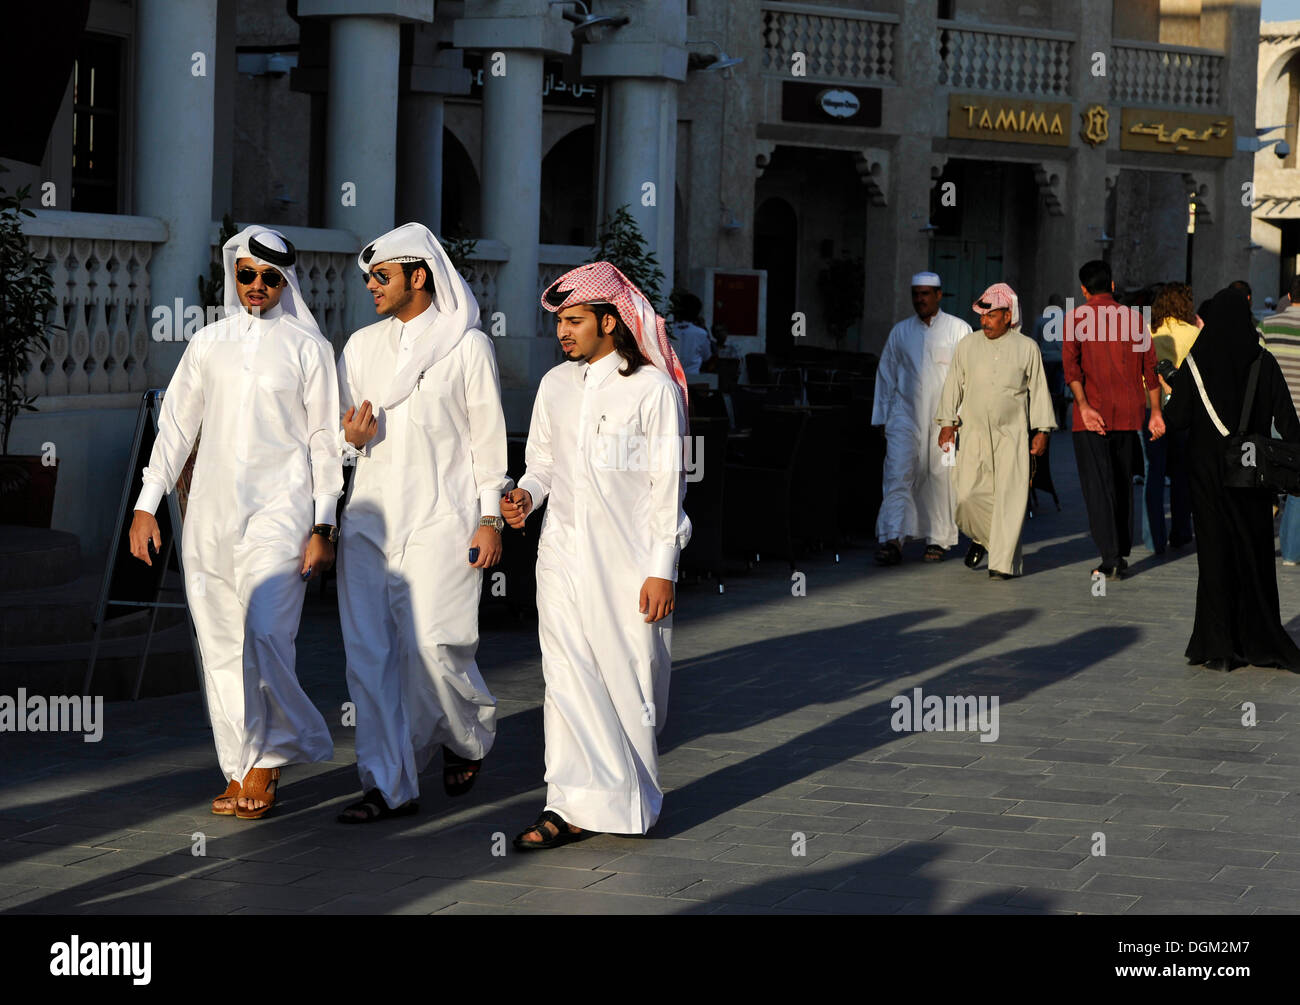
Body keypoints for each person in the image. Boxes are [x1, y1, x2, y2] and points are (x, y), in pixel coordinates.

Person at [128, 226, 340, 820]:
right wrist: (146, 505)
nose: (256, 286)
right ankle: (239, 764)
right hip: (210, 517)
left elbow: (326, 442)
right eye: (246, 274)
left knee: (268, 636)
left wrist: (324, 525)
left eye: (270, 278)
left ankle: (269, 760)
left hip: (282, 513)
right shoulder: (207, 343)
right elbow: (175, 430)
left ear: (285, 282)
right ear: (233, 274)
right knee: (220, 645)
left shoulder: (308, 348)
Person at [502, 261, 691, 849]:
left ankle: (626, 799)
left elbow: (668, 486)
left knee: (628, 678)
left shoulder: (652, 389)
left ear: (611, 321)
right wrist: (524, 498)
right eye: (560, 322)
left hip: (629, 562)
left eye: (575, 320)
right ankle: (567, 803)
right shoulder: (555, 384)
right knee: (563, 679)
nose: (563, 332)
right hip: (559, 552)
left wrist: (662, 569)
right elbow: (543, 464)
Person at [333, 223, 509, 823]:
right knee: (370, 654)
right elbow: (334, 441)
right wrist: (348, 443)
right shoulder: (358, 348)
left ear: (419, 276)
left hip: (444, 518)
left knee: (435, 644)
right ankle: (387, 785)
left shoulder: (467, 347)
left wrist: (491, 519)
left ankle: (468, 735)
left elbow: (489, 444)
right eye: (368, 279)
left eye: (382, 277)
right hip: (370, 521)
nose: (372, 287)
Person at [1162, 287, 1300, 670]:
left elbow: (1178, 420)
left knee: (1214, 557)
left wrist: (1171, 395)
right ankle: (1259, 640)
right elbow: (1288, 422)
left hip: (1207, 476)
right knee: (1252, 556)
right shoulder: (1262, 361)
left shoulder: (1195, 362)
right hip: (1251, 476)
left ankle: (1218, 647)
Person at [935, 282, 1056, 579]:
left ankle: (1002, 564)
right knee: (966, 496)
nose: (984, 321)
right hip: (973, 432)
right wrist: (947, 423)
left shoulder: (1027, 347)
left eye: (991, 316)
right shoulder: (968, 345)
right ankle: (984, 538)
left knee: (1010, 498)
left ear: (1007, 315)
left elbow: (1039, 390)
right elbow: (953, 384)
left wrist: (1042, 431)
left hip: (1011, 435)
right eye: (982, 316)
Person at [1063, 259, 1164, 580]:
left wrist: (1083, 406)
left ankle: (1110, 557)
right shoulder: (1135, 320)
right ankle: (1119, 550)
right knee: (1122, 483)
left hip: (1091, 417)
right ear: (1113, 285)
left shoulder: (1076, 318)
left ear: (1083, 289)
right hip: (1129, 414)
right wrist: (1156, 412)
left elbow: (1071, 369)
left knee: (1098, 487)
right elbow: (1152, 369)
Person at [872, 271, 972, 565]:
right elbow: (886, 375)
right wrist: (882, 418)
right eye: (916, 294)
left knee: (941, 477)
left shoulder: (959, 330)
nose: (920, 299)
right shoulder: (900, 332)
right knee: (897, 475)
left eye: (926, 294)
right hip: (904, 416)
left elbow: (968, 379)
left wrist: (958, 421)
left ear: (939, 295)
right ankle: (893, 538)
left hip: (945, 420)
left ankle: (938, 540)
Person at [1143, 282, 1199, 554]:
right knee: (1181, 474)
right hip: (1183, 411)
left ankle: (1154, 537)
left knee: (1153, 473)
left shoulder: (1147, 331)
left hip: (1150, 407)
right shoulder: (1193, 333)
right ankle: (1181, 532)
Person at [1262, 275, 1300, 565]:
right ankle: (1290, 551)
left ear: (1288, 294)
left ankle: (1259, 540)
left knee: (1268, 477)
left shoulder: (1267, 325)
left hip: (1273, 412)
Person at [669, 291, 712, 376]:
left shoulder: (669, 330)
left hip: (671, 377)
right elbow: (707, 356)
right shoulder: (701, 333)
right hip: (693, 377)